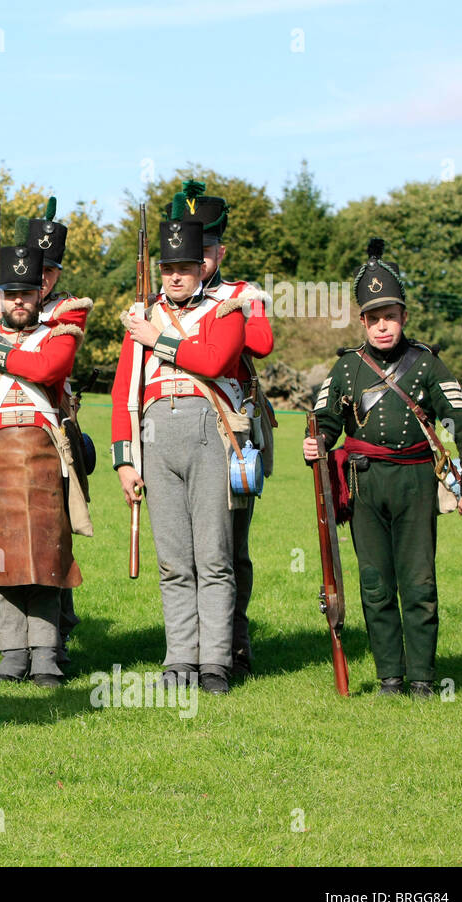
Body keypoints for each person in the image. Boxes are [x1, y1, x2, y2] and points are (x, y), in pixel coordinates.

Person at [303, 239, 462, 698]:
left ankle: (423, 678)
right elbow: (324, 422)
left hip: (415, 482)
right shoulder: (346, 368)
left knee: (419, 582)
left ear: (403, 317)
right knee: (375, 584)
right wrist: (317, 443)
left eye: (390, 316)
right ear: (361, 320)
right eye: (373, 318)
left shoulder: (426, 364)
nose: (382, 326)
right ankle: (390, 677)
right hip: (364, 483)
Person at [111, 217, 249, 695]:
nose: (175, 276)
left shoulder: (227, 309)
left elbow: (215, 362)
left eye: (185, 267)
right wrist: (126, 460)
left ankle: (214, 662)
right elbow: (124, 394)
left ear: (201, 269)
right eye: (168, 267)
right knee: (172, 561)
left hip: (208, 430)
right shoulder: (141, 314)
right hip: (155, 435)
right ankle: (179, 659)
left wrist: (157, 338)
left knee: (214, 556)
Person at [0, 229, 83, 688]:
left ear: (38, 293)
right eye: (12, 294)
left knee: (46, 560)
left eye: (27, 293)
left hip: (46, 459)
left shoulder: (57, 335)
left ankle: (45, 653)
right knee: (3, 562)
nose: (20, 302)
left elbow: (48, 369)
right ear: (0, 299)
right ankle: (11, 652)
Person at [166, 180, 274, 676]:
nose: (199, 262)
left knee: (230, 543)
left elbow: (263, 343)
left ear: (219, 249)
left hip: (232, 423)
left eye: (206, 251)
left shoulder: (241, 293)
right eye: (192, 252)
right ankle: (194, 650)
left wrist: (221, 315)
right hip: (176, 423)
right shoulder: (165, 300)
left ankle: (233, 641)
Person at [26, 199, 95, 666]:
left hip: (57, 425)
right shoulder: (5, 302)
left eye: (51, 269)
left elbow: (51, 363)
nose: (44, 277)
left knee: (58, 533)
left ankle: (60, 632)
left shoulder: (69, 310)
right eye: (37, 268)